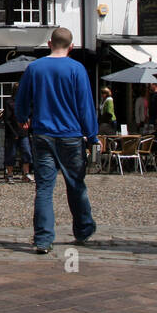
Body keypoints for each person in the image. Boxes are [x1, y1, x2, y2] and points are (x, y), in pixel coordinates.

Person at [15, 27, 97, 254]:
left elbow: (21, 100)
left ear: (49, 43)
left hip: (43, 134)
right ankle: (83, 229)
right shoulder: (77, 69)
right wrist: (92, 135)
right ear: (71, 47)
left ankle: (43, 238)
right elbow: (85, 105)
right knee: (76, 185)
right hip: (70, 134)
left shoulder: (34, 68)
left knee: (44, 188)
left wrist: (22, 118)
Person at [1, 96, 33, 183]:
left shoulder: (26, 102)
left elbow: (30, 114)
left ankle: (26, 174)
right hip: (12, 133)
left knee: (27, 152)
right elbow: (7, 119)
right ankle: (10, 174)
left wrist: (29, 122)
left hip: (24, 132)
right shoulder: (9, 102)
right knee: (11, 154)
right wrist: (13, 132)